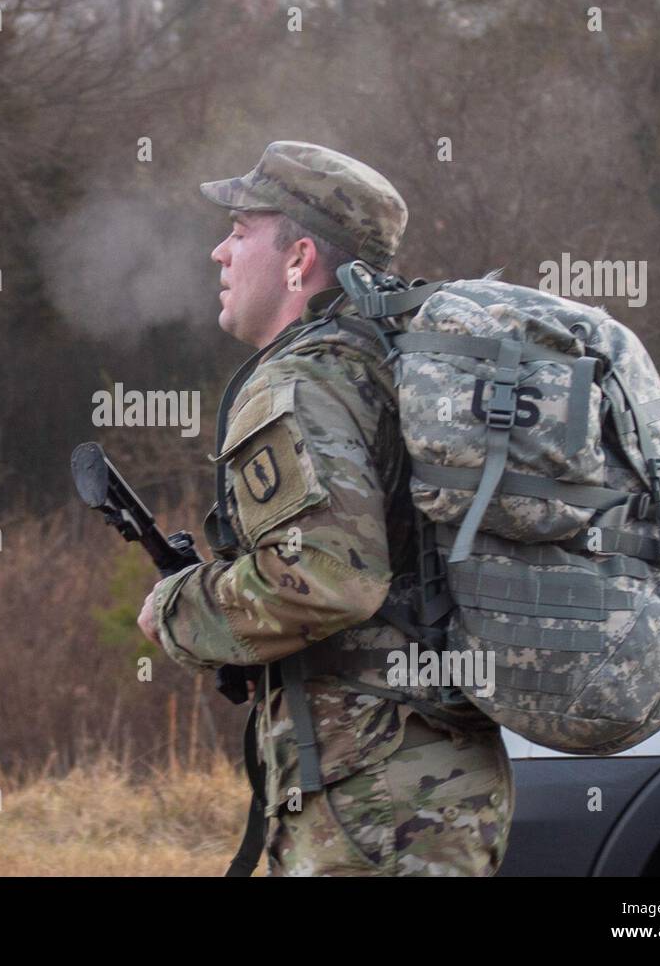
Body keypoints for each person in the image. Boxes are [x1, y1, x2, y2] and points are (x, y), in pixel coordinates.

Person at [136, 141, 514, 876]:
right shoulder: (394, 363)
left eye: (241, 230)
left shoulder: (303, 384)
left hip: (372, 805)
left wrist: (180, 611)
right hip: (436, 782)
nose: (220, 251)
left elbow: (329, 579)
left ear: (298, 259)